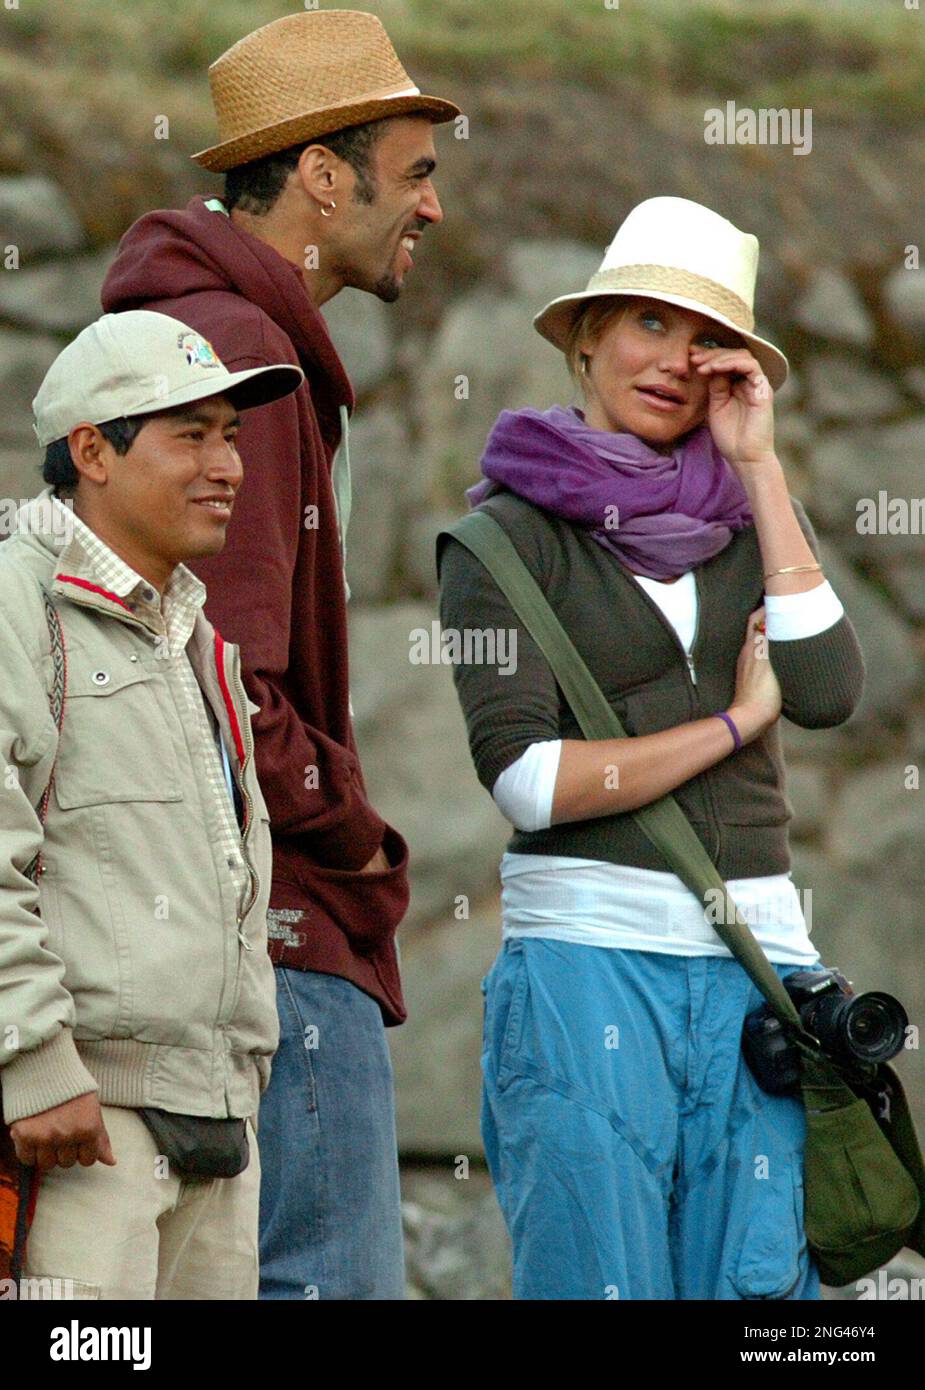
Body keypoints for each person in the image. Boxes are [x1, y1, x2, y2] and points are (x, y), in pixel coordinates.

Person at [437, 196, 866, 1300]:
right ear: (584, 337)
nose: (676, 361)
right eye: (648, 325)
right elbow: (531, 781)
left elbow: (823, 689)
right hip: (588, 965)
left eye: (706, 342)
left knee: (768, 1304)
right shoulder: (501, 540)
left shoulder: (744, 520)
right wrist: (729, 726)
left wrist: (761, 467)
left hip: (759, 975)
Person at [100, 11, 460, 1299]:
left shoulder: (186, 340)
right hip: (281, 932)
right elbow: (227, 673)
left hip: (195, 924)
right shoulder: (244, 362)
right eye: (412, 171)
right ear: (321, 172)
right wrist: (349, 833)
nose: (431, 207)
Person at [0, 309, 304, 1299]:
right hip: (80, 1133)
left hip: (211, 1132)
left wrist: (240, 1088)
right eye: (190, 434)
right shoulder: (19, 601)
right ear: (90, 450)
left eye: (231, 434)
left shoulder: (190, 630)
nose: (228, 466)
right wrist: (36, 1061)